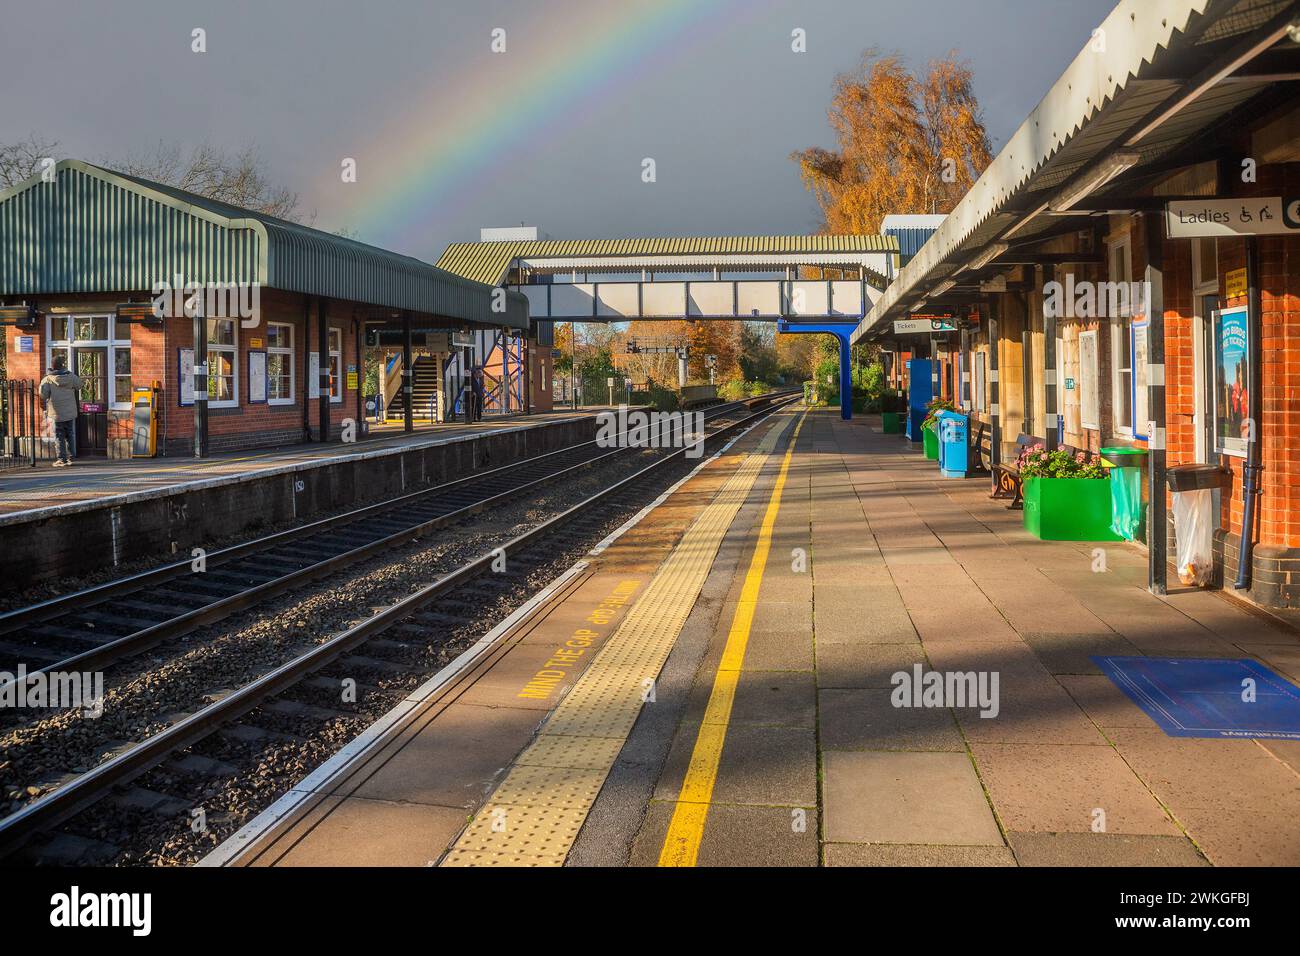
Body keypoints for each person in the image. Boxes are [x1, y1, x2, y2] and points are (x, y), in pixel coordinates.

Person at [40, 354, 83, 467]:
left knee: (59, 435)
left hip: (56, 412)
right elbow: (79, 385)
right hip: (70, 411)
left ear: (52, 366)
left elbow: (43, 395)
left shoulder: (48, 379)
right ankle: (71, 457)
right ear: (62, 365)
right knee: (70, 433)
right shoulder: (71, 376)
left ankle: (61, 459)